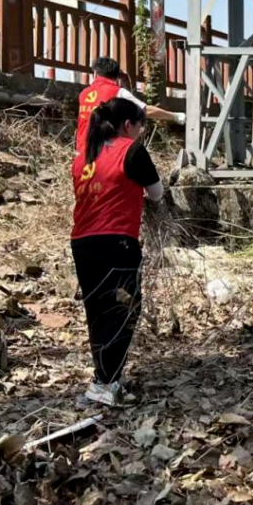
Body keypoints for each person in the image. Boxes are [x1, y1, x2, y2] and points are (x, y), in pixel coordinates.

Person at [71, 97, 164, 407]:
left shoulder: (84, 155)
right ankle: (104, 383)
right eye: (139, 126)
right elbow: (156, 192)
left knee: (98, 312)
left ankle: (107, 376)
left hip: (83, 242)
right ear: (128, 125)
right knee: (124, 310)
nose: (140, 132)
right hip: (117, 241)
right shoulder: (132, 150)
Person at [75, 57, 180, 156]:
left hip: (82, 152)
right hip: (104, 154)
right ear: (116, 76)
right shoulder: (117, 92)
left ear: (95, 73)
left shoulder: (84, 94)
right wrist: (175, 116)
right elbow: (146, 110)